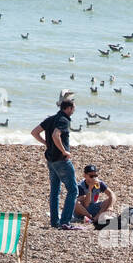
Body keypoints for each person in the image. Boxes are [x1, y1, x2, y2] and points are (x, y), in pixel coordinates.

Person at [31, 90, 81, 230]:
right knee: (73, 190)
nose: (74, 111)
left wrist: (45, 143)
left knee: (55, 191)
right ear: (68, 108)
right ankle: (65, 222)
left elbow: (34, 132)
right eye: (73, 109)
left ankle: (55, 222)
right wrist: (64, 150)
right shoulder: (63, 120)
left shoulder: (50, 119)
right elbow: (55, 135)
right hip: (61, 160)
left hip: (51, 160)